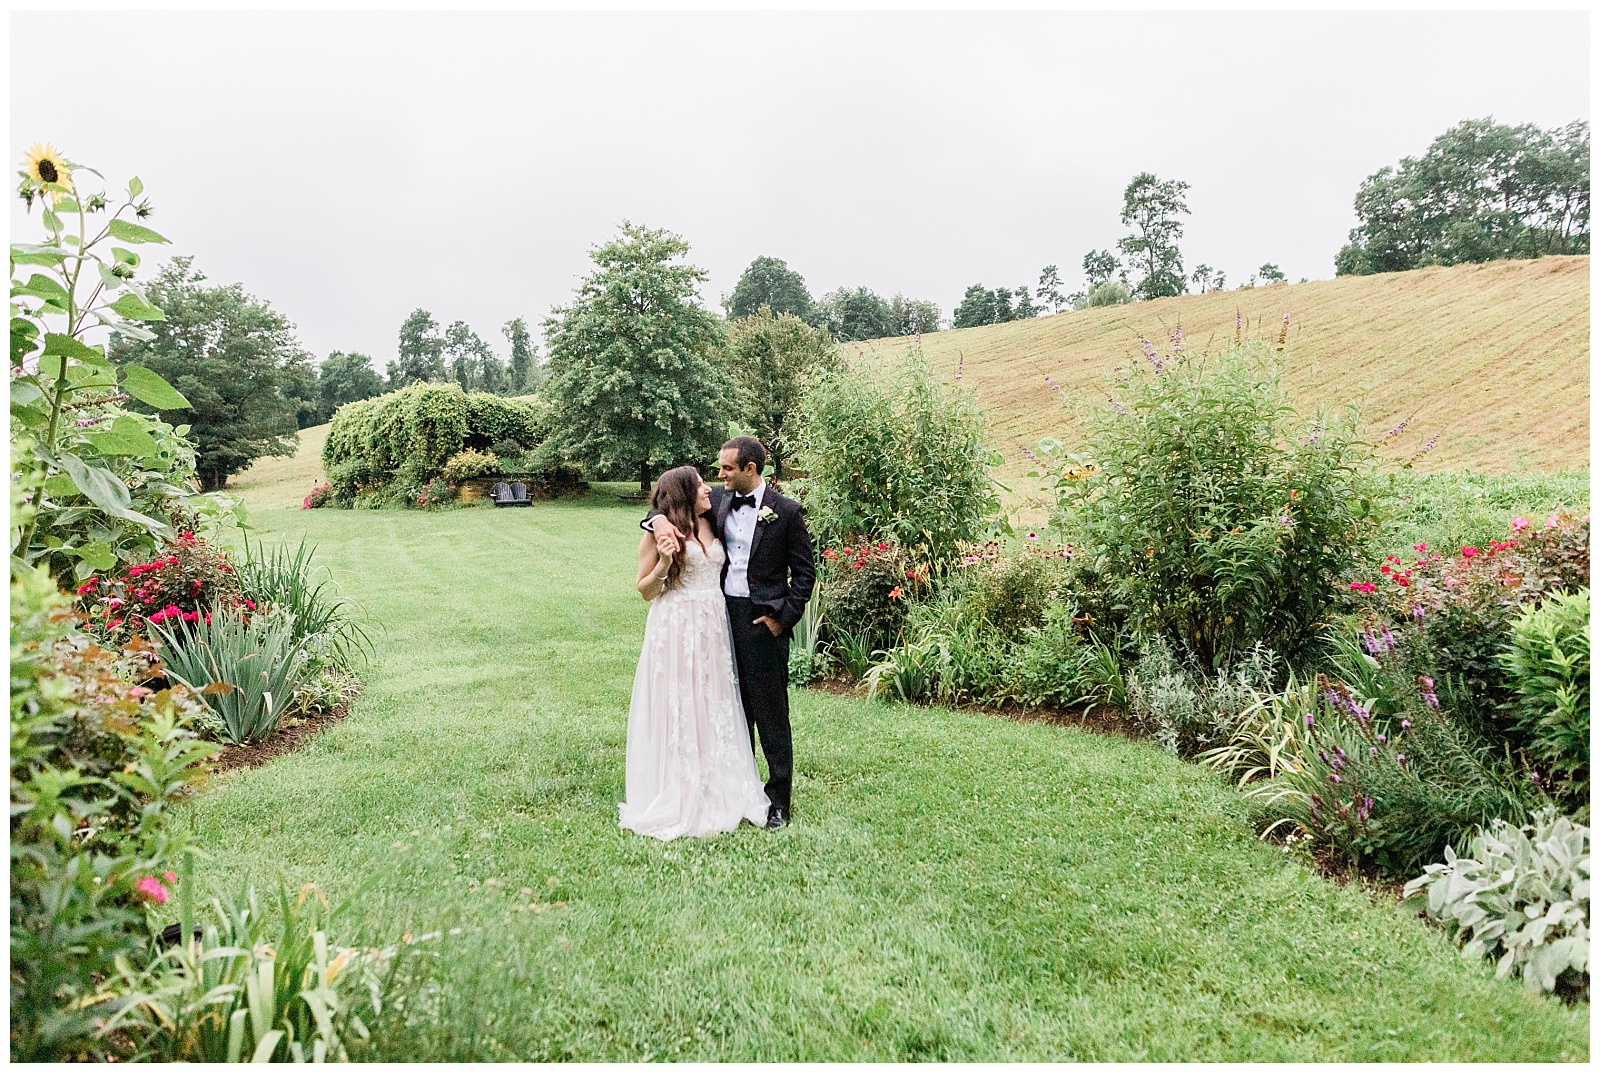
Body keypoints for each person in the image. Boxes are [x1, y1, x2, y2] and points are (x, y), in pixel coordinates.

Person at [641, 436, 815, 829]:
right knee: (727, 707)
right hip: (717, 620)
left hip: (761, 621)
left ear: (750, 469)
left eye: (727, 469)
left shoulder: (785, 512)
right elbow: (662, 507)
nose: (719, 476)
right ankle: (738, 787)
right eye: (718, 471)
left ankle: (778, 800)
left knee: (770, 712)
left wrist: (782, 618)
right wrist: (659, 521)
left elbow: (805, 574)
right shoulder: (717, 500)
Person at [620, 465, 771, 840]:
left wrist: (654, 520)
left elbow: (656, 514)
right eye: (702, 485)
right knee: (681, 701)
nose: (710, 489)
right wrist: (666, 562)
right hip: (676, 625)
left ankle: (720, 781)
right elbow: (643, 590)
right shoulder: (662, 535)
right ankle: (680, 786)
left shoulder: (711, 517)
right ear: (685, 494)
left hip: (712, 625)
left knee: (712, 698)